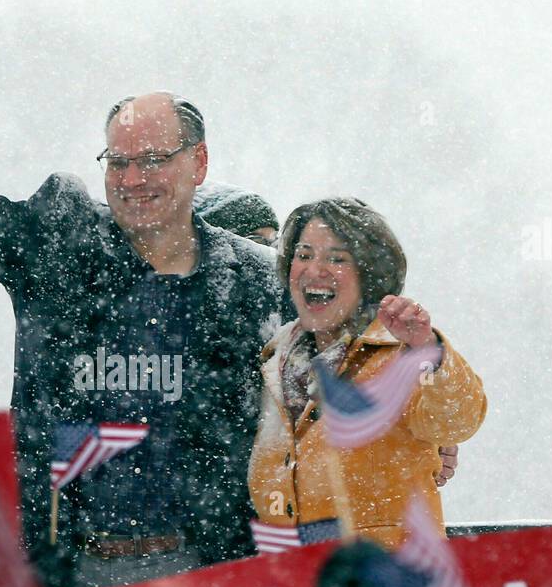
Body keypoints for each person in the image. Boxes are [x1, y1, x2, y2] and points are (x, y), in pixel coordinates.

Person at [0, 0, 283, 587]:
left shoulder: (255, 281)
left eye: (153, 160)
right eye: (118, 163)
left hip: (217, 569)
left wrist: (422, 430)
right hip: (76, 572)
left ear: (198, 163)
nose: (133, 180)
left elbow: (332, 376)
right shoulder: (58, 251)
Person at [248, 197, 486, 550]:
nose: (316, 269)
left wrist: (426, 351)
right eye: (304, 254)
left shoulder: (401, 352)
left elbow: (457, 421)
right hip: (291, 586)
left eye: (337, 258)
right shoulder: (272, 359)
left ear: (369, 274)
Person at [194, 184, 462, 489]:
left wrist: (421, 436)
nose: (265, 254)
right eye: (252, 242)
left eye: (274, 242)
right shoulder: (186, 329)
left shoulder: (305, 323)